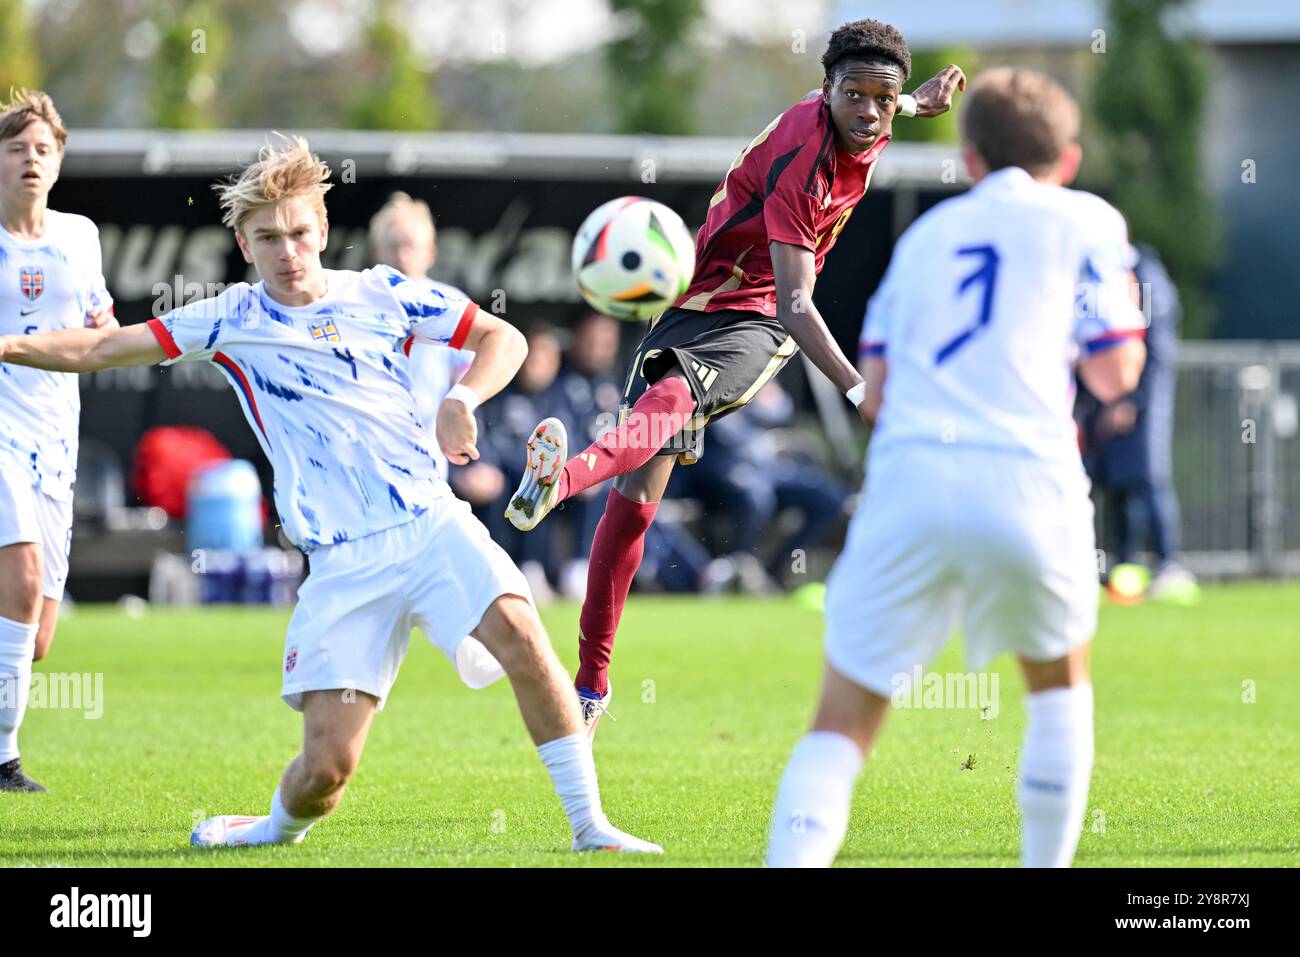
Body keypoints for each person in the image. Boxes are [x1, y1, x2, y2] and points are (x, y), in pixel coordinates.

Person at [0, 135, 660, 853]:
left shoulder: (380, 291)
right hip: (344, 565)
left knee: (527, 641)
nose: (287, 251)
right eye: (268, 237)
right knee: (325, 774)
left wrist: (462, 396)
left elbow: (502, 336)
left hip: (431, 522)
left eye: (300, 233)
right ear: (243, 243)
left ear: (322, 226)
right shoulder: (229, 318)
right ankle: (270, 828)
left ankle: (590, 826)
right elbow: (100, 348)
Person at [505, 18, 966, 733]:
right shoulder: (804, 165)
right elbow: (798, 300)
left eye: (884, 98)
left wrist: (918, 103)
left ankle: (559, 480)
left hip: (753, 320)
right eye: (856, 96)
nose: (871, 110)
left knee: (668, 399)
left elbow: (876, 98)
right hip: (740, 303)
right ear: (826, 92)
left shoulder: (867, 112)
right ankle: (592, 685)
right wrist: (855, 388)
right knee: (635, 498)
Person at [764, 68, 1147, 867]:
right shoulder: (1088, 219)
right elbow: (1116, 372)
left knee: (839, 725)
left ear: (969, 160)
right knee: (1057, 690)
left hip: (908, 480)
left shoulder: (927, 237)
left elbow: (877, 391)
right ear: (1067, 161)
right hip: (1028, 478)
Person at [0, 90, 116, 793]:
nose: (30, 161)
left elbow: (102, 328)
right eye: (16, 150)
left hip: (55, 440)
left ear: (60, 160)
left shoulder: (80, 236)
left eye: (43, 149)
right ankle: (3, 760)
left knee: (36, 637)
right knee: (22, 579)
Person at [1080, 244, 1197, 601]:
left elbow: (1157, 350)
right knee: (1113, 482)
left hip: (1142, 403)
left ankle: (1169, 566)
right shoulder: (1103, 274)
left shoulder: (1146, 276)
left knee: (1149, 479)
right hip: (1107, 397)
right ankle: (1123, 564)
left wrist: (1133, 400)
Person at [368, 190, 472, 480]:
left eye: (411, 246)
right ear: (377, 253)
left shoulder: (451, 305)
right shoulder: (354, 303)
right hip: (365, 459)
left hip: (427, 461)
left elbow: (471, 380)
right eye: (393, 246)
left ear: (431, 253)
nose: (402, 256)